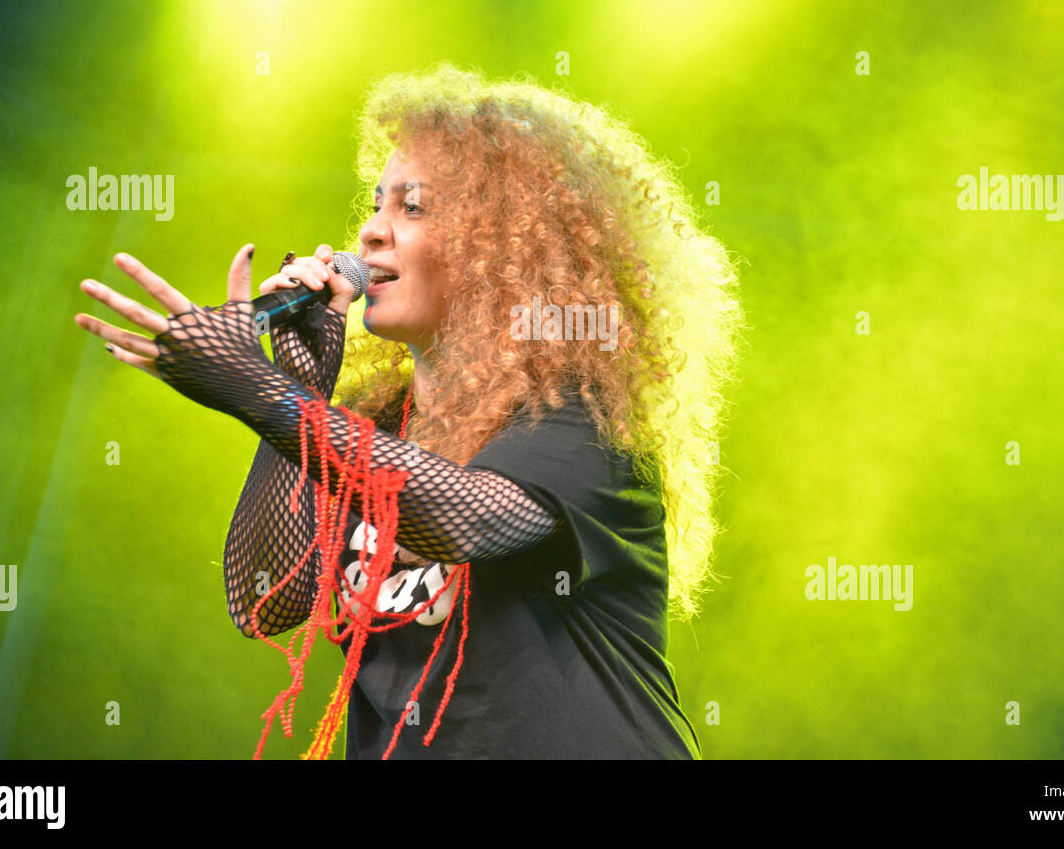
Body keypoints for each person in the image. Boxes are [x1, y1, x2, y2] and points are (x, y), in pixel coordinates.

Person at [73, 62, 744, 759]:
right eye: (375, 203)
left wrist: (260, 393)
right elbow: (265, 599)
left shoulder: (581, 420)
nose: (369, 233)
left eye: (411, 207)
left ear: (506, 245)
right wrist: (299, 381)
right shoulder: (366, 426)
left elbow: (464, 517)